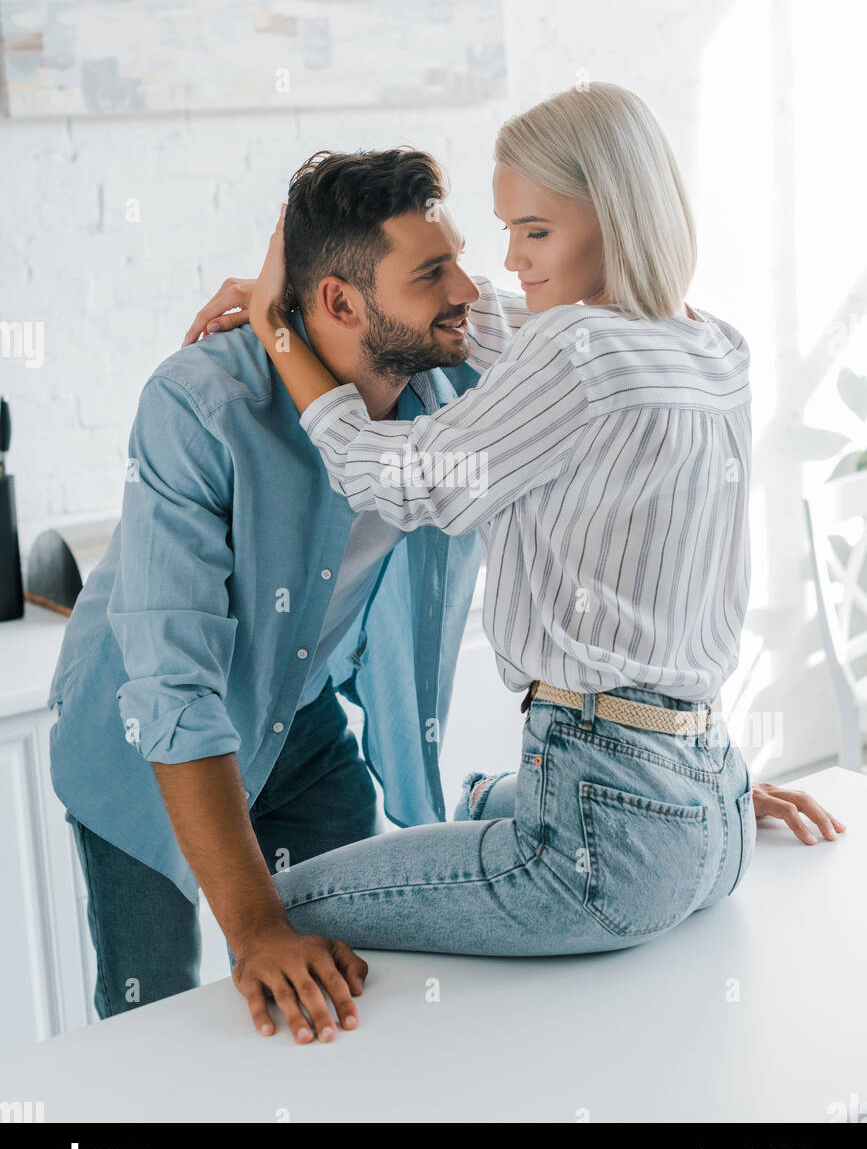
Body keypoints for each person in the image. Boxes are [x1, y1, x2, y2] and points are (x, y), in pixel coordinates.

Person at [194, 83, 846, 1042]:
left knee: (282, 912)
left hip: (609, 822)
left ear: (614, 214)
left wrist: (282, 328)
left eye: (532, 231)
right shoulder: (710, 345)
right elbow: (492, 326)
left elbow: (402, 478)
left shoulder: (576, 349)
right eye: (501, 232)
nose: (504, 263)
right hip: (705, 799)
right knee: (467, 807)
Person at [48, 149, 497, 1043]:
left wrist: (674, 757)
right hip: (148, 741)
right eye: (431, 272)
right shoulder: (202, 403)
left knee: (347, 982)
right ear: (339, 302)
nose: (468, 291)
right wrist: (253, 929)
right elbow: (173, 685)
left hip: (303, 718)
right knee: (161, 1026)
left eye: (458, 258)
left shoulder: (460, 383)